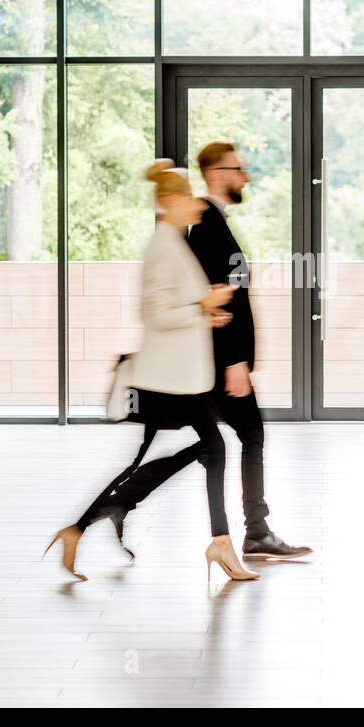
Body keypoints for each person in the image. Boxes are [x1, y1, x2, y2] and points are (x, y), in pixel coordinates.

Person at [46, 159, 259, 583]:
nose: (198, 208)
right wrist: (201, 306)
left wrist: (207, 312)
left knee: (201, 451)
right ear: (169, 202)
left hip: (181, 374)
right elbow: (155, 314)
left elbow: (177, 307)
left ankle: (84, 525)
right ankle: (212, 541)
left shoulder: (175, 243)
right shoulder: (162, 247)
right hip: (169, 378)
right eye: (188, 201)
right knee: (209, 450)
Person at [95, 142, 310, 559]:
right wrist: (234, 362)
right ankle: (253, 531)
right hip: (217, 363)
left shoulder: (214, 222)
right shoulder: (208, 225)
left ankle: (122, 503)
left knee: (213, 444)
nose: (245, 175)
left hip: (217, 362)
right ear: (216, 172)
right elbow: (215, 298)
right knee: (240, 437)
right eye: (238, 168)